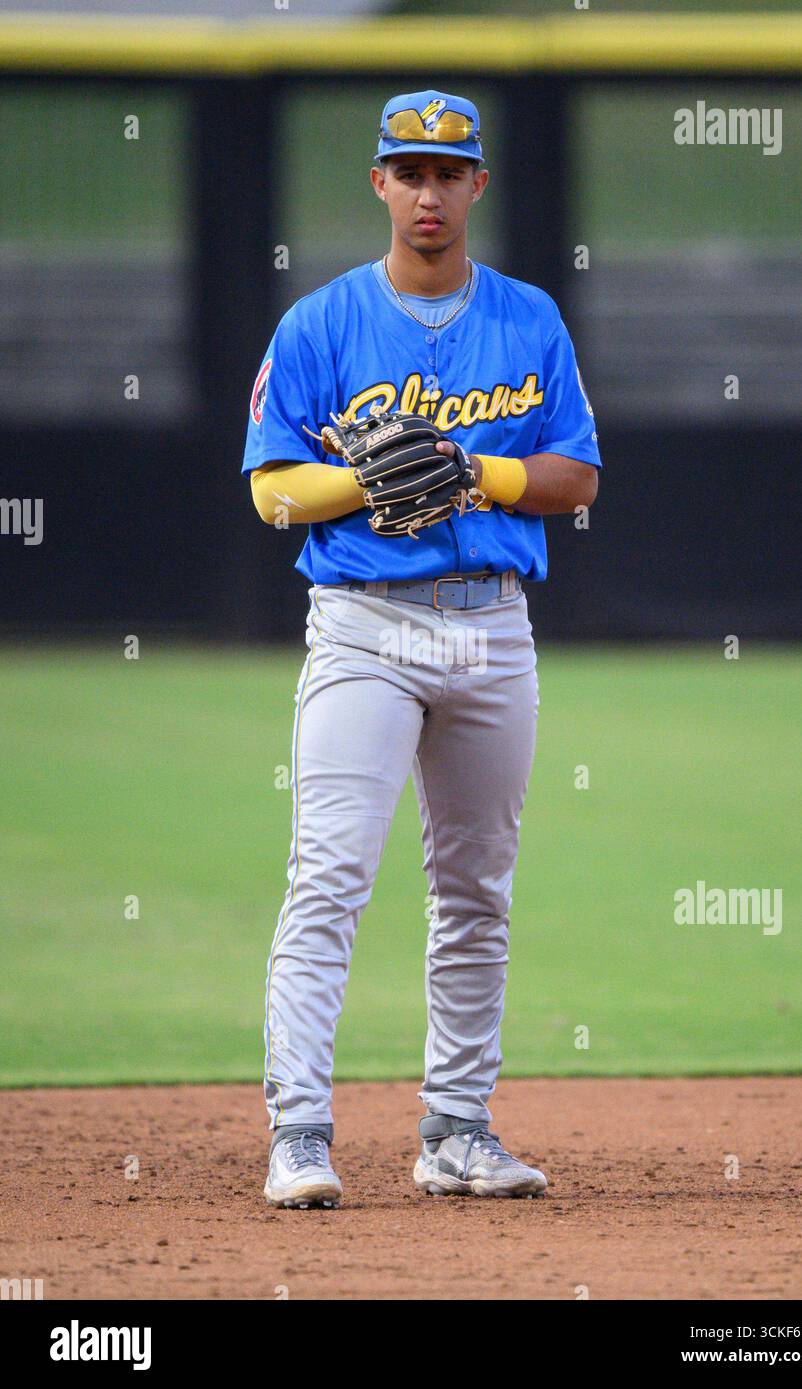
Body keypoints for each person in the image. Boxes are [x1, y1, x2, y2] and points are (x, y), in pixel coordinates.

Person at [243, 89, 601, 1208]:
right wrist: (364, 478)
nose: (429, 191)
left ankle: (455, 1131)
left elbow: (576, 477)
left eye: (449, 173)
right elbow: (268, 493)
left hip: (493, 624)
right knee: (329, 878)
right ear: (380, 184)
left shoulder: (529, 319)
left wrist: (475, 472)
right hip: (365, 627)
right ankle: (299, 1132)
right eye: (409, 170)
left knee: (474, 889)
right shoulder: (319, 323)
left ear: (476, 186)